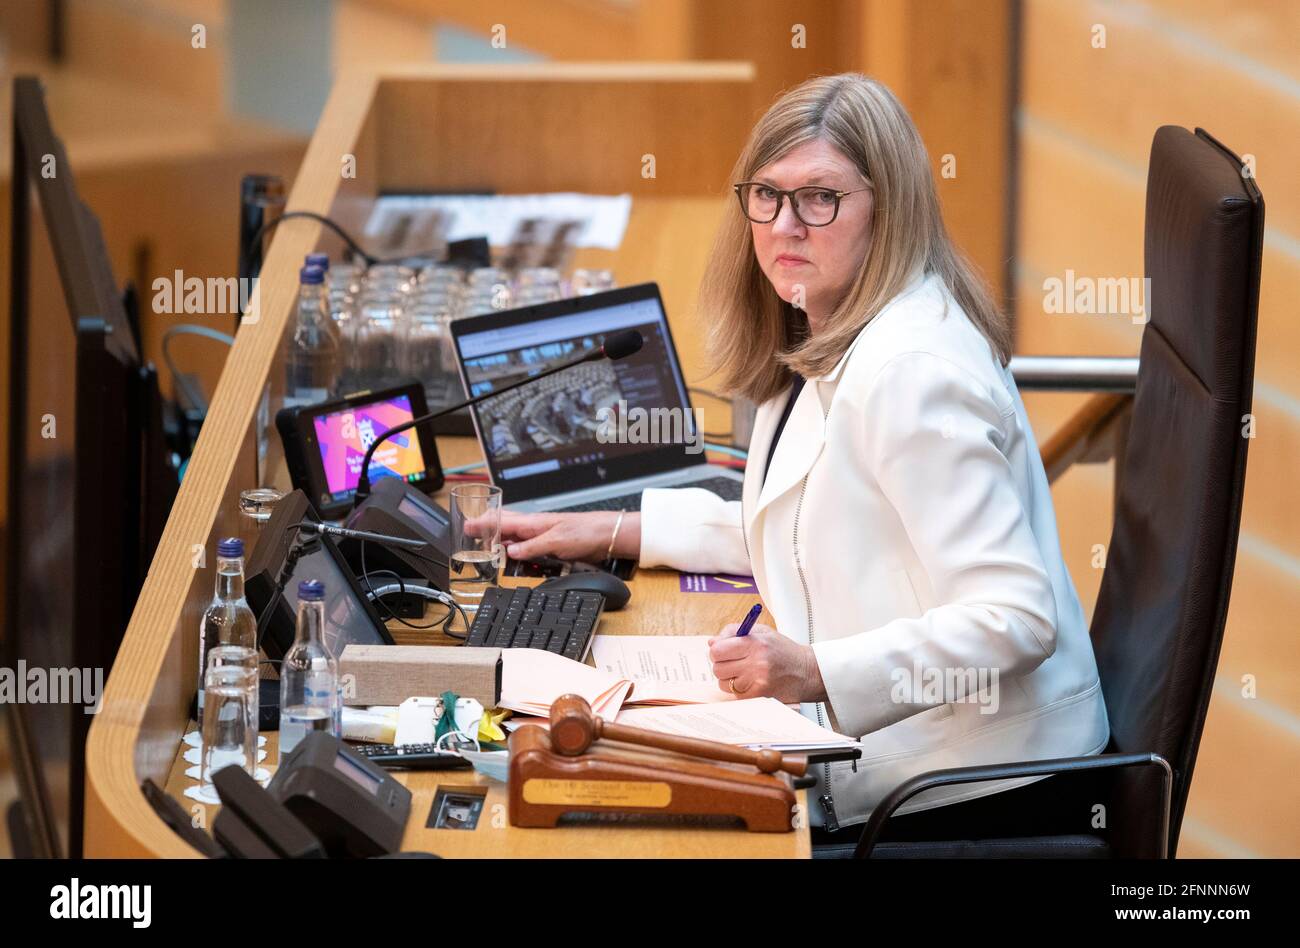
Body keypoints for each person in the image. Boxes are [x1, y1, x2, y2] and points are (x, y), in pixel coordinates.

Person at [495, 73, 1109, 841]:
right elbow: (816, 524)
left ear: (888, 210)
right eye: (768, 195)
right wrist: (618, 531)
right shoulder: (826, 317)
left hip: (979, 787)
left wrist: (815, 671)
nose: (786, 225)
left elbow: (1015, 621)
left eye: (820, 198)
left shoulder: (913, 373)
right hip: (913, 761)